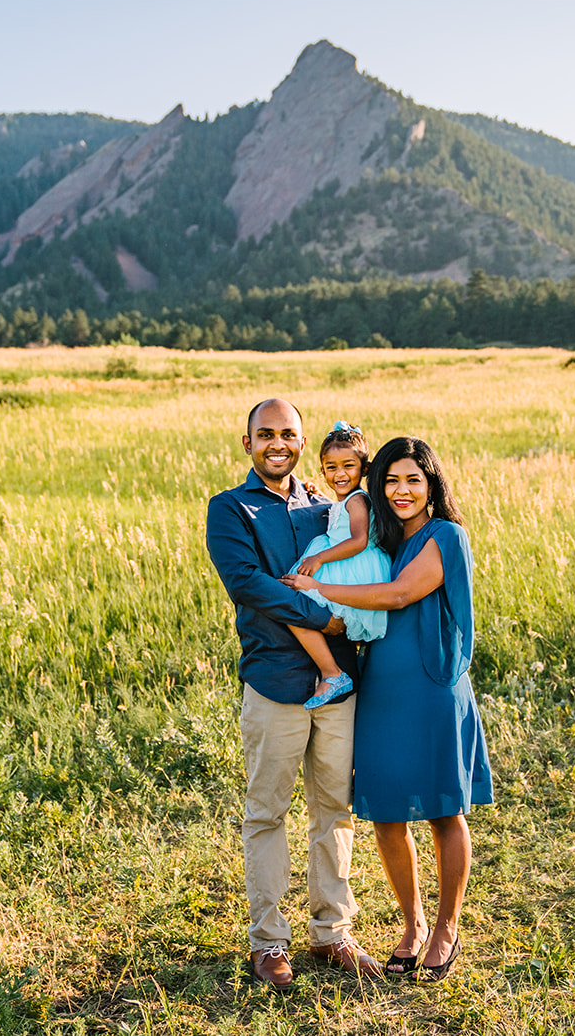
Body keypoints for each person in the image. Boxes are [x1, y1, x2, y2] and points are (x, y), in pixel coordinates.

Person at [281, 436, 493, 982]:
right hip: (379, 686)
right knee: (389, 815)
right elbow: (346, 511)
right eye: (392, 480)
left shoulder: (446, 535)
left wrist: (316, 583)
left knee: (445, 808)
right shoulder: (385, 532)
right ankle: (413, 925)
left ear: (431, 485)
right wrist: (314, 491)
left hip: (430, 683)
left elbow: (398, 595)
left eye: (413, 480)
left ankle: (447, 926)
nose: (401, 491)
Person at [205, 398, 385, 987]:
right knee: (267, 813)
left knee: (334, 810)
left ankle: (333, 931)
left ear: (302, 443)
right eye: (266, 434)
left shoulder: (324, 504)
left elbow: (362, 553)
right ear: (247, 442)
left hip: (340, 684)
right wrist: (325, 619)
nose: (276, 443)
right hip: (273, 681)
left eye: (288, 434)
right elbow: (247, 584)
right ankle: (268, 941)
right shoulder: (231, 509)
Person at [285, 421, 392, 709]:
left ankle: (332, 673)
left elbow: (357, 540)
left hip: (350, 565)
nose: (340, 474)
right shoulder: (348, 499)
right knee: (296, 606)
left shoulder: (357, 500)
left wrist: (318, 558)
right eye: (331, 467)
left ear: (364, 468)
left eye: (348, 466)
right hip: (348, 565)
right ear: (322, 471)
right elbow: (337, 510)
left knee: (291, 604)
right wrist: (313, 493)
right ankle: (334, 673)